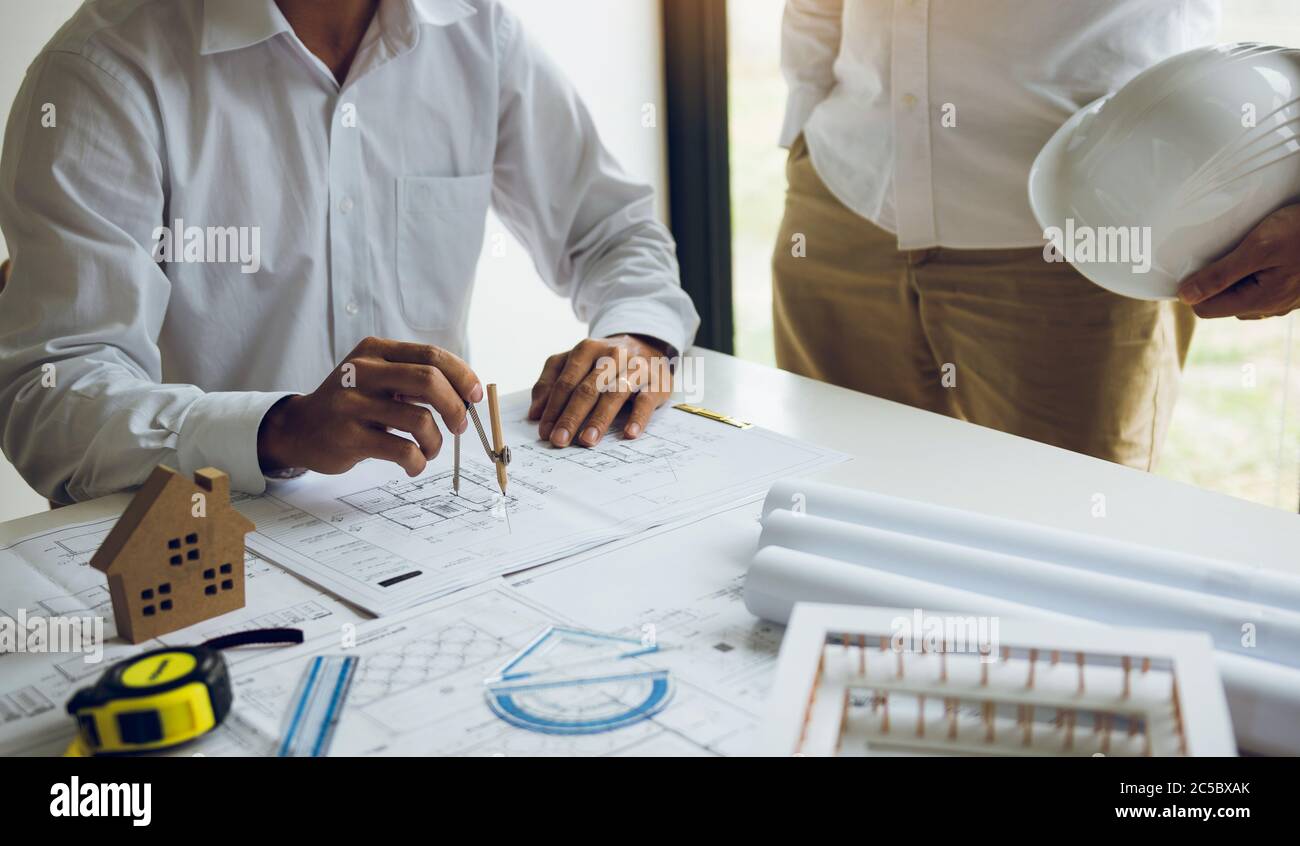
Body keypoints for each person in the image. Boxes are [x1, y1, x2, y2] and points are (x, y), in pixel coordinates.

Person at [0, 0, 698, 504]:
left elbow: (612, 231)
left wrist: (636, 337)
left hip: (431, 525)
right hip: (202, 551)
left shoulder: (480, 31)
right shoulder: (103, 71)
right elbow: (48, 394)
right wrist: (274, 429)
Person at [773, 0, 1246, 469]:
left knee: (1067, 522)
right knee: (842, 503)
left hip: (1083, 235)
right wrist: (804, 116)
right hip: (845, 194)